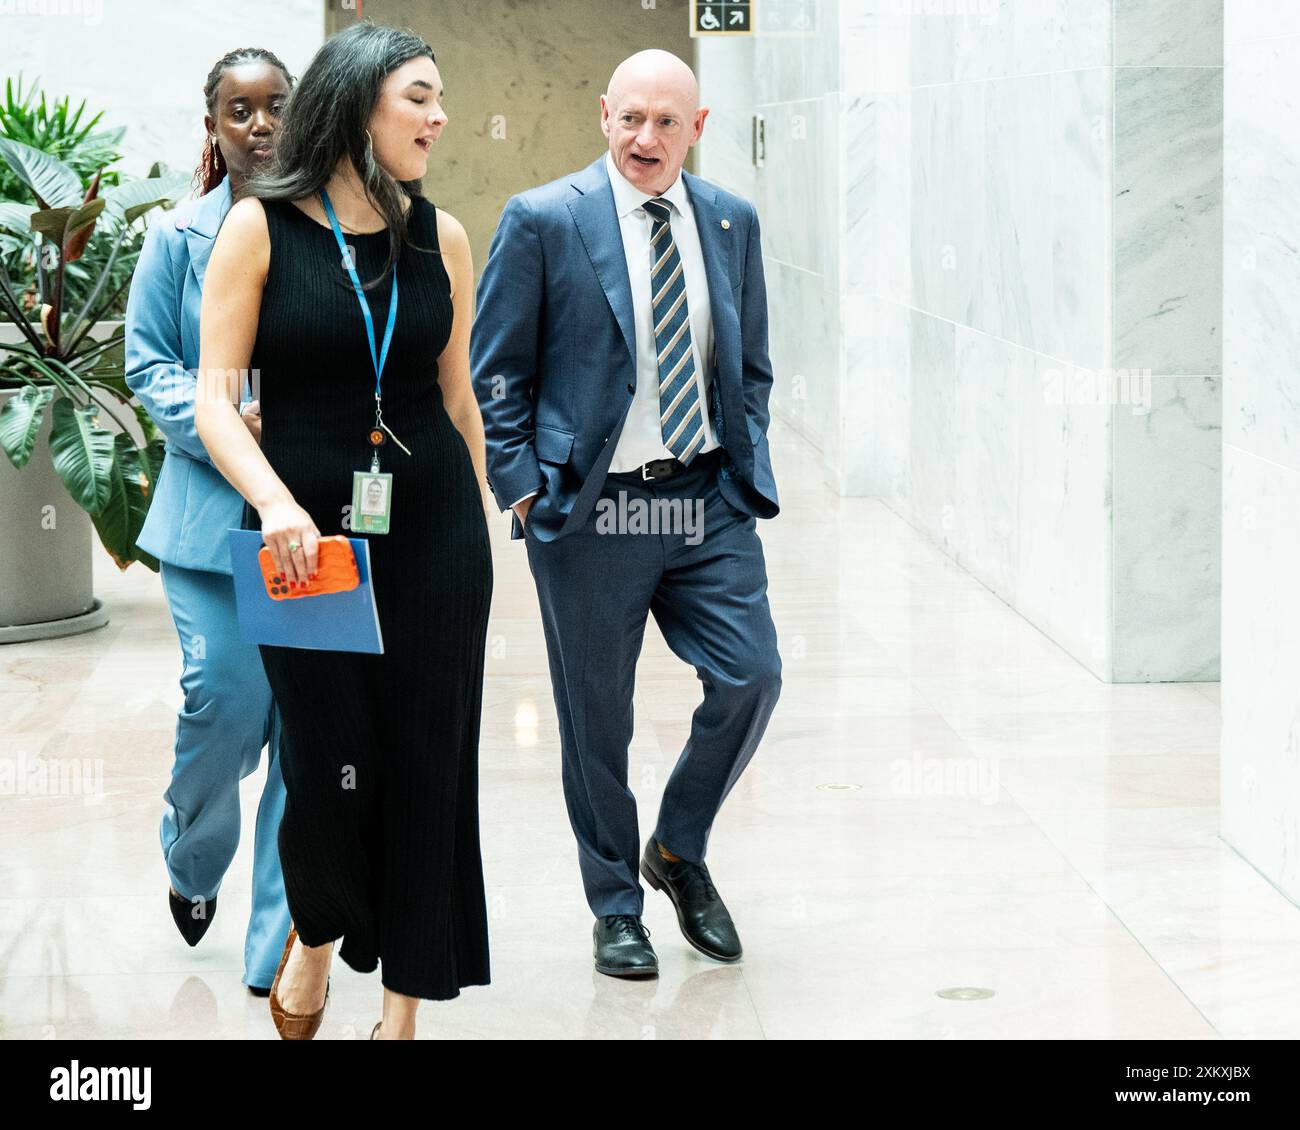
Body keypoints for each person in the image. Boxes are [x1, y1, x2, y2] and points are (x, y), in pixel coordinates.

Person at [194, 22, 492, 1039]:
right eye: (420, 97)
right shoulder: (260, 229)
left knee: (428, 762)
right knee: (330, 762)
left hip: (434, 534)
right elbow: (215, 400)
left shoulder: (442, 236)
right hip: (303, 545)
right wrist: (277, 500)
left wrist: (475, 524)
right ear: (360, 102)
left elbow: (456, 398)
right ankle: (317, 930)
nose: (440, 117)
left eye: (439, 98)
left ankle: (402, 1013)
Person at [472, 49, 781, 978]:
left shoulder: (729, 219)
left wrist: (743, 458)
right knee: (597, 718)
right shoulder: (543, 219)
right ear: (605, 113)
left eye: (667, 122)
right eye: (631, 117)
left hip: (703, 500)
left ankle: (677, 847)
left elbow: (749, 365)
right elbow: (497, 368)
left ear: (698, 127)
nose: (646, 138)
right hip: (594, 509)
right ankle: (615, 906)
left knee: (751, 677)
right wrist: (523, 485)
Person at [124, 47, 294, 996]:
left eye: (276, 107)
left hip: (313, 522)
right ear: (214, 126)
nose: (260, 125)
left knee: (306, 729)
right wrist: (218, 419)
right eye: (240, 110)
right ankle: (193, 859)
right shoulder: (174, 239)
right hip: (208, 523)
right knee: (224, 703)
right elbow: (146, 364)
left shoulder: (329, 228)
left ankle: (275, 950)